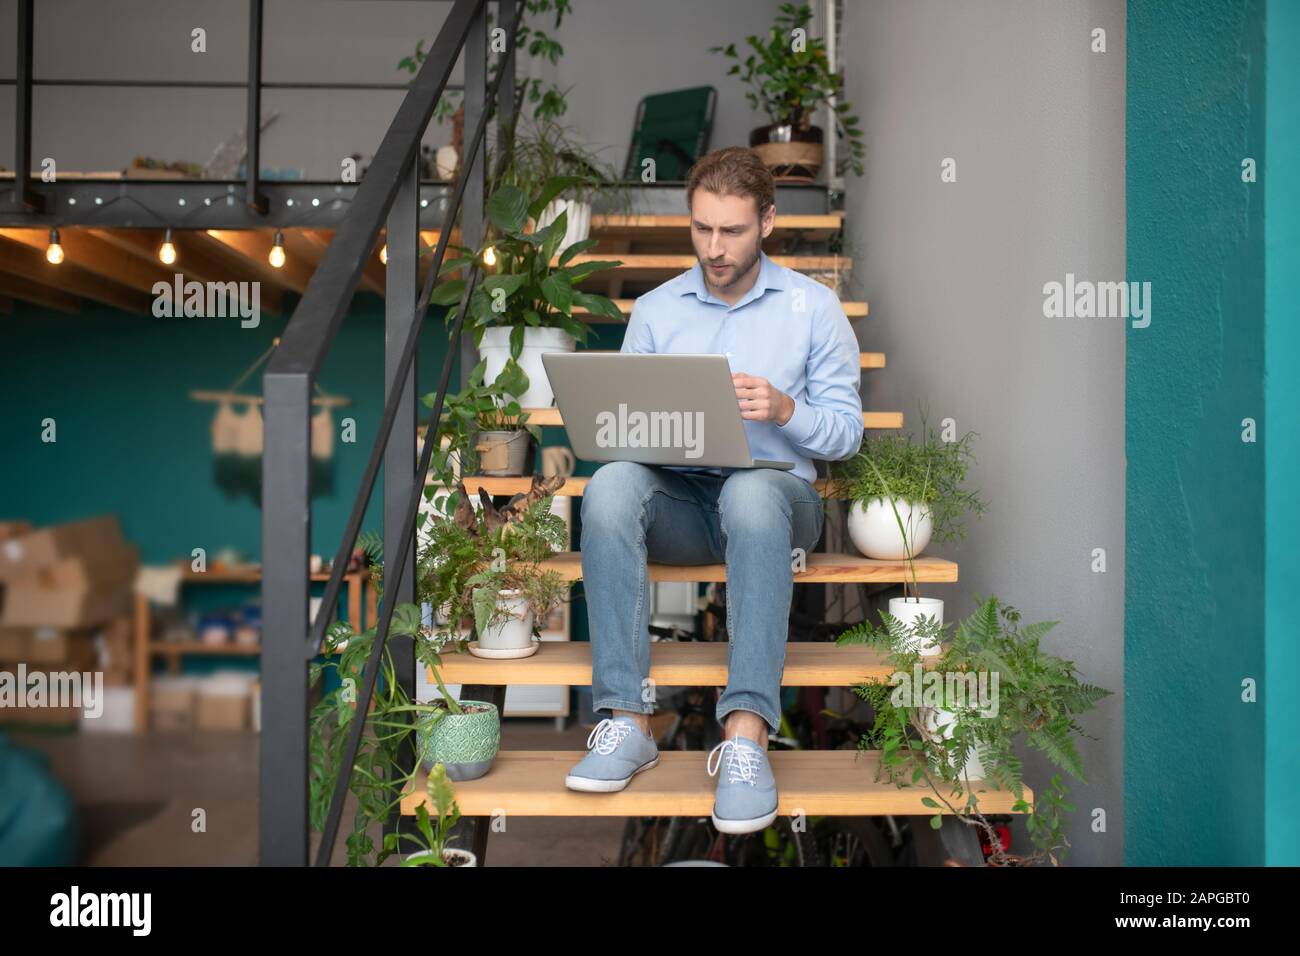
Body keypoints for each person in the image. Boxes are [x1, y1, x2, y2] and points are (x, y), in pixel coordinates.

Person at [563, 146, 864, 834]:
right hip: (684, 500)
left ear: (767, 221)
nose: (715, 247)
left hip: (776, 501)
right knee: (609, 486)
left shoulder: (813, 309)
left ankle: (747, 738)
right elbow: (622, 428)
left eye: (731, 231)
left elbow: (846, 435)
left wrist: (786, 410)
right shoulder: (658, 309)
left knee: (750, 496)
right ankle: (628, 720)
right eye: (702, 229)